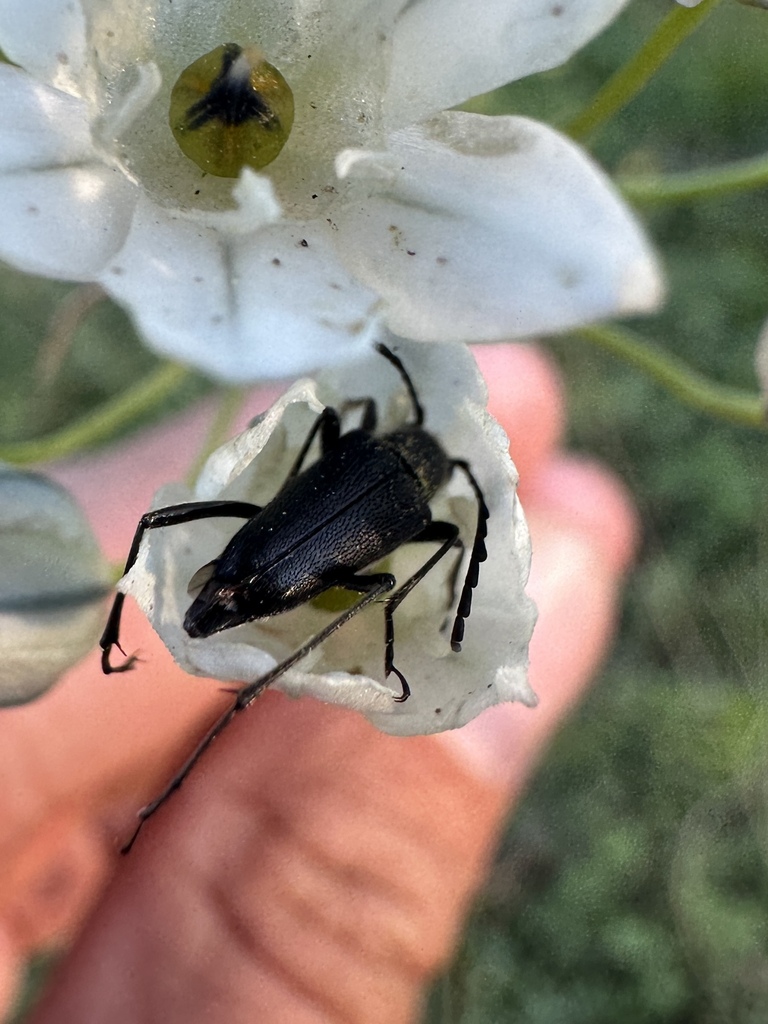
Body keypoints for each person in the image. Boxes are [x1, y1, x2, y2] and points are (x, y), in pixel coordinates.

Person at [0, 344, 637, 1023]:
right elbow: (427, 561)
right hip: (279, 572)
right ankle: (233, 672)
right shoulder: (421, 513)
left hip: (258, 554)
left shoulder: (358, 436)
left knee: (159, 523)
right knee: (384, 583)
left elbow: (348, 420)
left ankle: (111, 637)